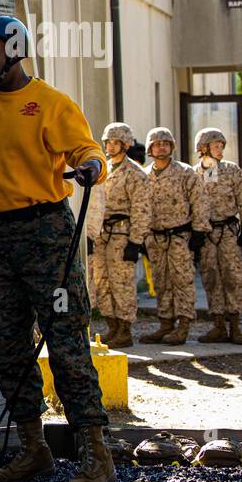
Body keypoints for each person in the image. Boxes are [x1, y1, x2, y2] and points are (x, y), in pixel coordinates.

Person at [0, 15, 114, 482]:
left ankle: (97, 455)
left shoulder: (51, 103)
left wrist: (92, 167)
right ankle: (35, 450)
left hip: (47, 231)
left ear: (16, 50)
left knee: (67, 341)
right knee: (4, 343)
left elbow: (88, 151)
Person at [141, 127, 209, 345]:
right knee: (161, 281)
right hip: (155, 237)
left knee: (182, 280)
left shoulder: (186, 172)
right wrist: (141, 235)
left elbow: (199, 202)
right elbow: (140, 207)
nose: (161, 146)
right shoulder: (143, 175)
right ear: (150, 148)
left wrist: (199, 231)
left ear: (172, 147)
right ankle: (166, 324)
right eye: (157, 143)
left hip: (180, 236)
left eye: (166, 143)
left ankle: (184, 325)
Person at [88, 123, 149, 348]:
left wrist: (136, 241)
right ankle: (112, 327)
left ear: (125, 144)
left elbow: (142, 209)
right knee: (101, 281)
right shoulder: (103, 168)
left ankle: (125, 330)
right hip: (102, 233)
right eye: (108, 142)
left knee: (122, 282)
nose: (111, 147)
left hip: (123, 234)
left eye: (115, 142)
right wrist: (91, 232)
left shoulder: (135, 173)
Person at [192, 127, 242, 344]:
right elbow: (192, 203)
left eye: (222, 145)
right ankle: (218, 326)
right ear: (204, 147)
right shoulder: (194, 173)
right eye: (216, 145)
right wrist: (195, 231)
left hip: (228, 232)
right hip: (206, 233)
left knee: (232, 276)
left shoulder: (233, 171)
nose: (220, 149)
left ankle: (235, 326)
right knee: (210, 276)